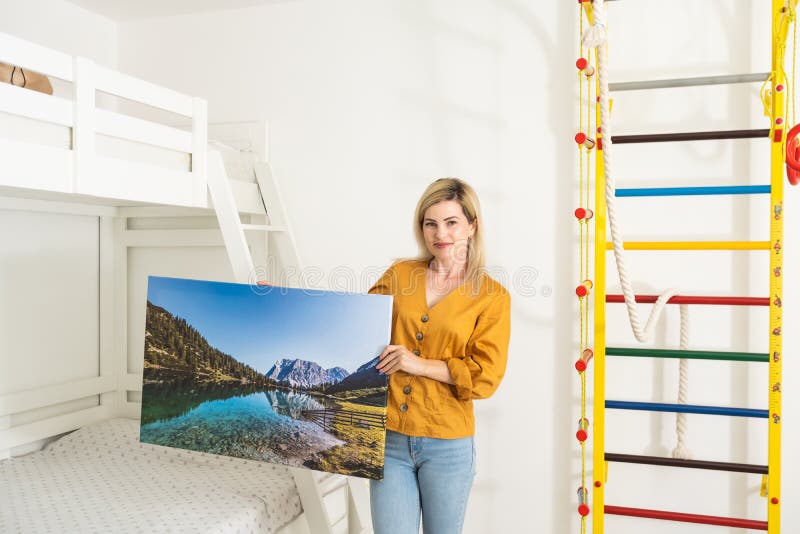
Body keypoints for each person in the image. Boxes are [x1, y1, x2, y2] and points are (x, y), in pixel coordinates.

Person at [368, 177, 511, 534]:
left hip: (448, 446)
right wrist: (286, 300)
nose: (440, 233)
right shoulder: (400, 274)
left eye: (451, 223)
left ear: (472, 226)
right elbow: (354, 321)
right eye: (430, 223)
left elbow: (485, 377)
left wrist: (416, 364)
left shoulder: (492, 296)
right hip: (389, 439)